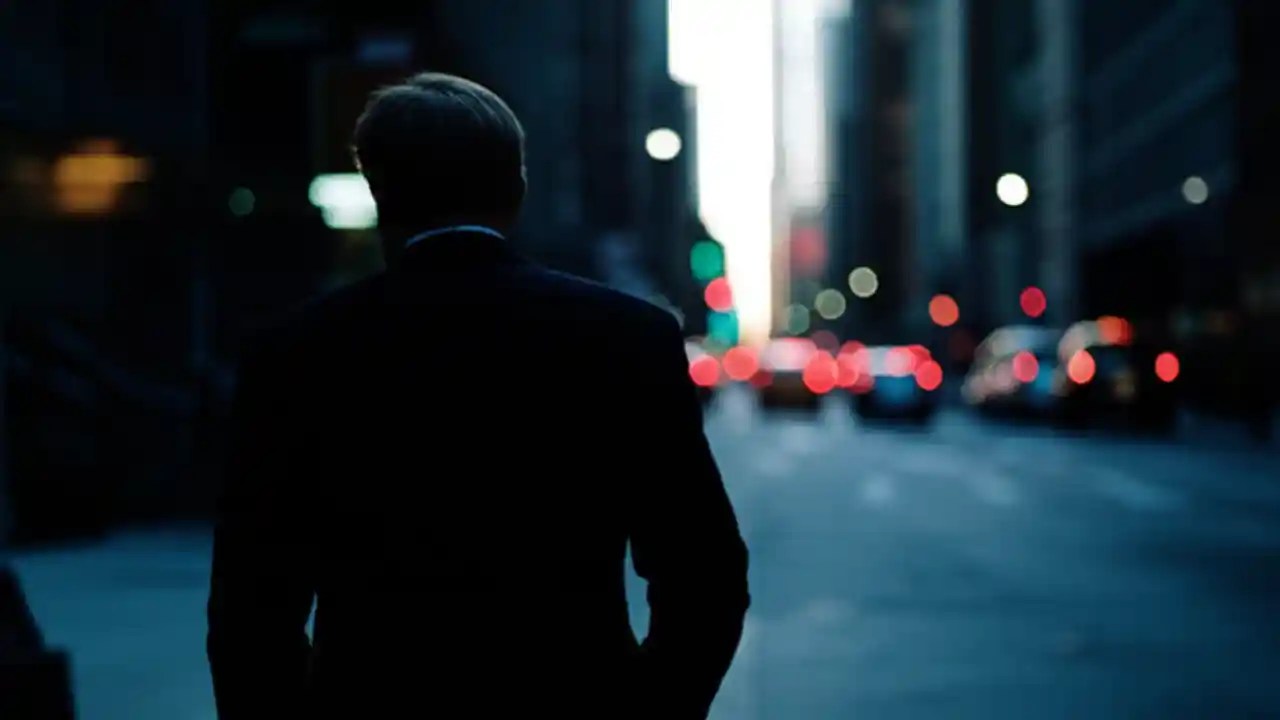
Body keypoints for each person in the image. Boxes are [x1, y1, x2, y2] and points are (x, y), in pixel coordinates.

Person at [206, 72, 750, 718]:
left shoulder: (293, 355)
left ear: (380, 192)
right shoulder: (627, 340)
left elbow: (251, 609)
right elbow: (705, 576)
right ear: (516, 191)